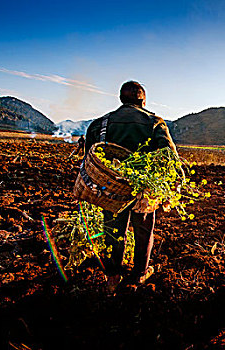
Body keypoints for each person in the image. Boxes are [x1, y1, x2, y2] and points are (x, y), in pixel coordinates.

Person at [84, 81, 177, 291]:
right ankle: (139, 275)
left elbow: (89, 158)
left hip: (110, 187)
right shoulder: (155, 122)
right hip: (143, 190)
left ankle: (112, 277)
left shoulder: (100, 123)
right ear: (142, 100)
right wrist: (171, 186)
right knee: (143, 231)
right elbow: (170, 158)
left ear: (121, 99)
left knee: (112, 230)